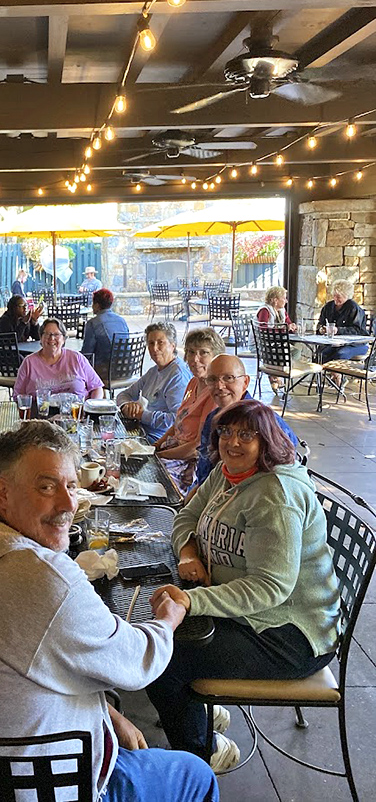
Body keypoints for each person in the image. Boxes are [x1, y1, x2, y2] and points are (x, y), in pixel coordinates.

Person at [0, 422, 219, 802]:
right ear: (2, 493)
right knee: (196, 775)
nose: (69, 504)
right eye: (46, 487)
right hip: (23, 787)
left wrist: (106, 715)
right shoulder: (42, 578)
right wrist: (167, 619)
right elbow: (137, 661)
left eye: (71, 486)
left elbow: (23, 659)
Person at [145, 400, 340, 772]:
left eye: (246, 435)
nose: (232, 442)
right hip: (252, 613)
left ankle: (203, 754)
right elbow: (185, 515)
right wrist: (188, 553)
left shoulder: (275, 497)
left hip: (292, 634)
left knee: (161, 659)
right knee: (169, 632)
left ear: (266, 442)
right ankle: (200, 712)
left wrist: (192, 600)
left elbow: (270, 587)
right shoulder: (228, 472)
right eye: (226, 432)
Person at [193, 353, 298, 489]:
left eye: (228, 378)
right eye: (212, 379)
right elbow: (205, 466)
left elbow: (282, 477)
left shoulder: (267, 423)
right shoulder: (213, 418)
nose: (219, 386)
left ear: (245, 382)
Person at [154, 329, 226, 496]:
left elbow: (197, 447)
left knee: (149, 482)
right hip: (173, 450)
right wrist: (154, 446)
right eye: (191, 352)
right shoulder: (193, 382)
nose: (195, 359)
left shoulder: (214, 393)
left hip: (187, 462)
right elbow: (178, 424)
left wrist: (158, 455)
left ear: (216, 356)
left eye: (203, 353)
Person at [116, 323, 191, 441]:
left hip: (159, 439)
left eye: (160, 342)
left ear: (172, 346)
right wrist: (126, 406)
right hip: (140, 430)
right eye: (151, 343)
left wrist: (142, 415)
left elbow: (177, 419)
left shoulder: (177, 376)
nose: (154, 348)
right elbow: (124, 394)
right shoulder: (154, 371)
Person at [13, 317, 104, 401]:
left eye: (56, 334)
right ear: (41, 338)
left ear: (64, 339)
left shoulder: (76, 358)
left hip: (77, 411)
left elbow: (97, 388)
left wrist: (91, 407)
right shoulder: (29, 363)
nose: (52, 338)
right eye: (47, 334)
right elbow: (18, 396)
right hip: (41, 412)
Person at [256, 286, 300, 390]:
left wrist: (292, 326)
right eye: (284, 298)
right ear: (275, 300)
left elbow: (288, 323)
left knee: (296, 352)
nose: (286, 301)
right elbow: (263, 330)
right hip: (263, 344)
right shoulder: (264, 310)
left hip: (277, 343)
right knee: (285, 353)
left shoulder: (281, 311)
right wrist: (283, 328)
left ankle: (274, 373)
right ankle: (275, 375)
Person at [81, 287, 130, 379]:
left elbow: (87, 353)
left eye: (93, 303)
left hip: (106, 371)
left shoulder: (93, 323)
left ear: (97, 305)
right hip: (127, 368)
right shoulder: (121, 320)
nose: (92, 306)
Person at [316, 279, 368, 363]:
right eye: (334, 295)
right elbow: (320, 324)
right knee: (320, 353)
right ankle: (322, 371)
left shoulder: (353, 308)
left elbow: (357, 330)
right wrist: (322, 329)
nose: (335, 299)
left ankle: (337, 371)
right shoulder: (328, 307)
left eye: (338, 297)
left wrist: (337, 330)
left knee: (341, 354)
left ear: (347, 296)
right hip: (334, 343)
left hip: (356, 344)